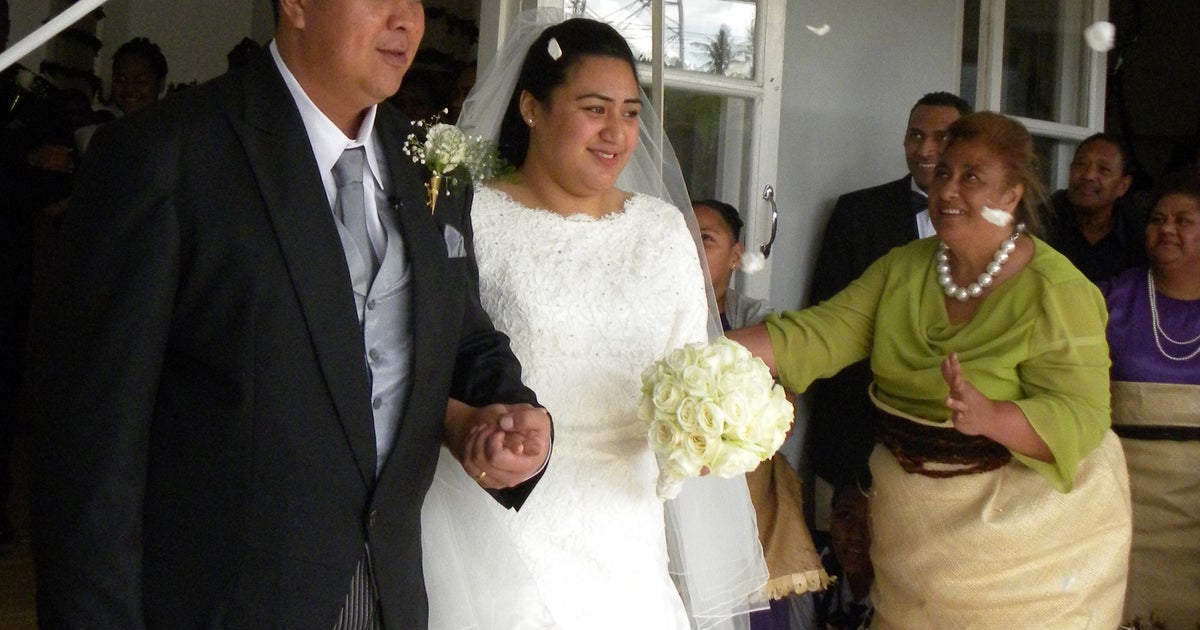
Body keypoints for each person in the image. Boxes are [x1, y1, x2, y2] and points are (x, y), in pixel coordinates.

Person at [26, 0, 552, 628]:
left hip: (389, 597)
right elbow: (88, 448)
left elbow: (459, 335)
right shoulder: (165, 154)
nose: (406, 19)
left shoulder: (431, 166)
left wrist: (511, 413)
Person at [420, 12, 767, 629]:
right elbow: (433, 364)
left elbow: (693, 364)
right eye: (594, 108)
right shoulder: (472, 219)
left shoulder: (662, 233)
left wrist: (710, 433)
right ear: (531, 107)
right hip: (497, 519)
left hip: (625, 534)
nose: (616, 132)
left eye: (631, 113)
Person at [729, 111, 1131, 628]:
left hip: (1029, 547)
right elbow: (820, 334)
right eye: (943, 173)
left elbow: (1084, 416)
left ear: (1011, 197)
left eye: (971, 177)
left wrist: (993, 417)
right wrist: (716, 352)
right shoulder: (905, 267)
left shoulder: (1060, 290)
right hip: (915, 541)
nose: (948, 190)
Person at [806, 92, 970, 522]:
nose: (926, 149)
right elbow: (825, 314)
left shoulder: (997, 228)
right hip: (861, 427)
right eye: (915, 135)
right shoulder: (857, 213)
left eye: (942, 137)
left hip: (955, 438)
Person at [694, 198, 827, 630]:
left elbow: (781, 406)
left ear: (736, 256)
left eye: (706, 239)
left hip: (746, 489)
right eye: (682, 236)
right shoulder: (651, 311)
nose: (690, 247)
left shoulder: (757, 317)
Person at [1099, 170, 1200, 629]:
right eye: (1158, 219)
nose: (1167, 229)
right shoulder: (1112, 299)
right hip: (1124, 502)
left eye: (1184, 221)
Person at [1046, 133, 1147, 283]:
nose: (1089, 175)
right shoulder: (1040, 220)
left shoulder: (1137, 235)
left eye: (1103, 169)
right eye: (1081, 164)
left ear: (1123, 186)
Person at [808, 475, 874, 630]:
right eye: (846, 516)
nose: (856, 534)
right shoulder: (811, 576)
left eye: (871, 520)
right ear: (831, 521)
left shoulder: (902, 592)